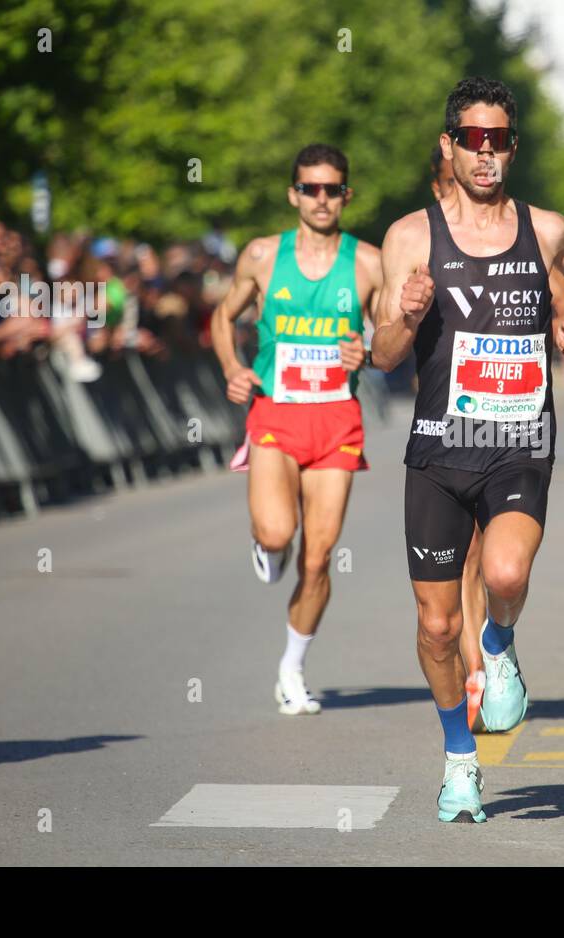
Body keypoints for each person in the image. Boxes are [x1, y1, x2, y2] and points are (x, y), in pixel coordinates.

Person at [373, 77, 564, 822]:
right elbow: (380, 355)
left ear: (512, 147)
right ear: (449, 146)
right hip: (438, 450)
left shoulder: (548, 231)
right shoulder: (410, 236)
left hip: (517, 441)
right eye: (472, 139)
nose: (486, 153)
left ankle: (498, 644)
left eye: (499, 139)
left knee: (504, 571)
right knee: (437, 627)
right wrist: (405, 319)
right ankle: (459, 760)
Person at [209, 143, 382, 716]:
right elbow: (222, 314)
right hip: (276, 415)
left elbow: (393, 339)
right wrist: (234, 369)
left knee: (319, 556)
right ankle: (267, 543)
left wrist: (371, 349)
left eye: (333, 189)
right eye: (311, 188)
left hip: (337, 421)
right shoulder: (261, 256)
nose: (322, 198)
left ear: (346, 195)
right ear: (294, 194)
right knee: (280, 535)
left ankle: (292, 667)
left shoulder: (369, 263)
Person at [430, 143, 486, 729]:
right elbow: (389, 338)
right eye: (446, 184)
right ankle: (474, 671)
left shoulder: (503, 240)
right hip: (439, 428)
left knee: (489, 560)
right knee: (460, 562)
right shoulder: (419, 245)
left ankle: (485, 659)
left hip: (497, 424)